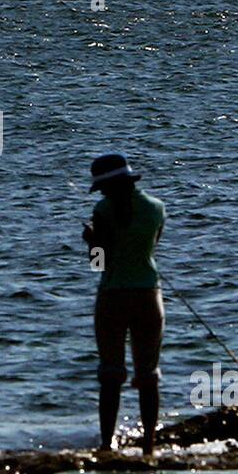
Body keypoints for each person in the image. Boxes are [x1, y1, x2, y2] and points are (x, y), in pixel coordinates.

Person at [82, 153, 165, 457]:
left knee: (111, 373)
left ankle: (106, 444)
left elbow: (98, 263)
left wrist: (91, 240)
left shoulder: (102, 210)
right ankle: (148, 447)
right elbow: (151, 247)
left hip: (113, 296)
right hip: (148, 294)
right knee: (148, 374)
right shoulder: (157, 208)